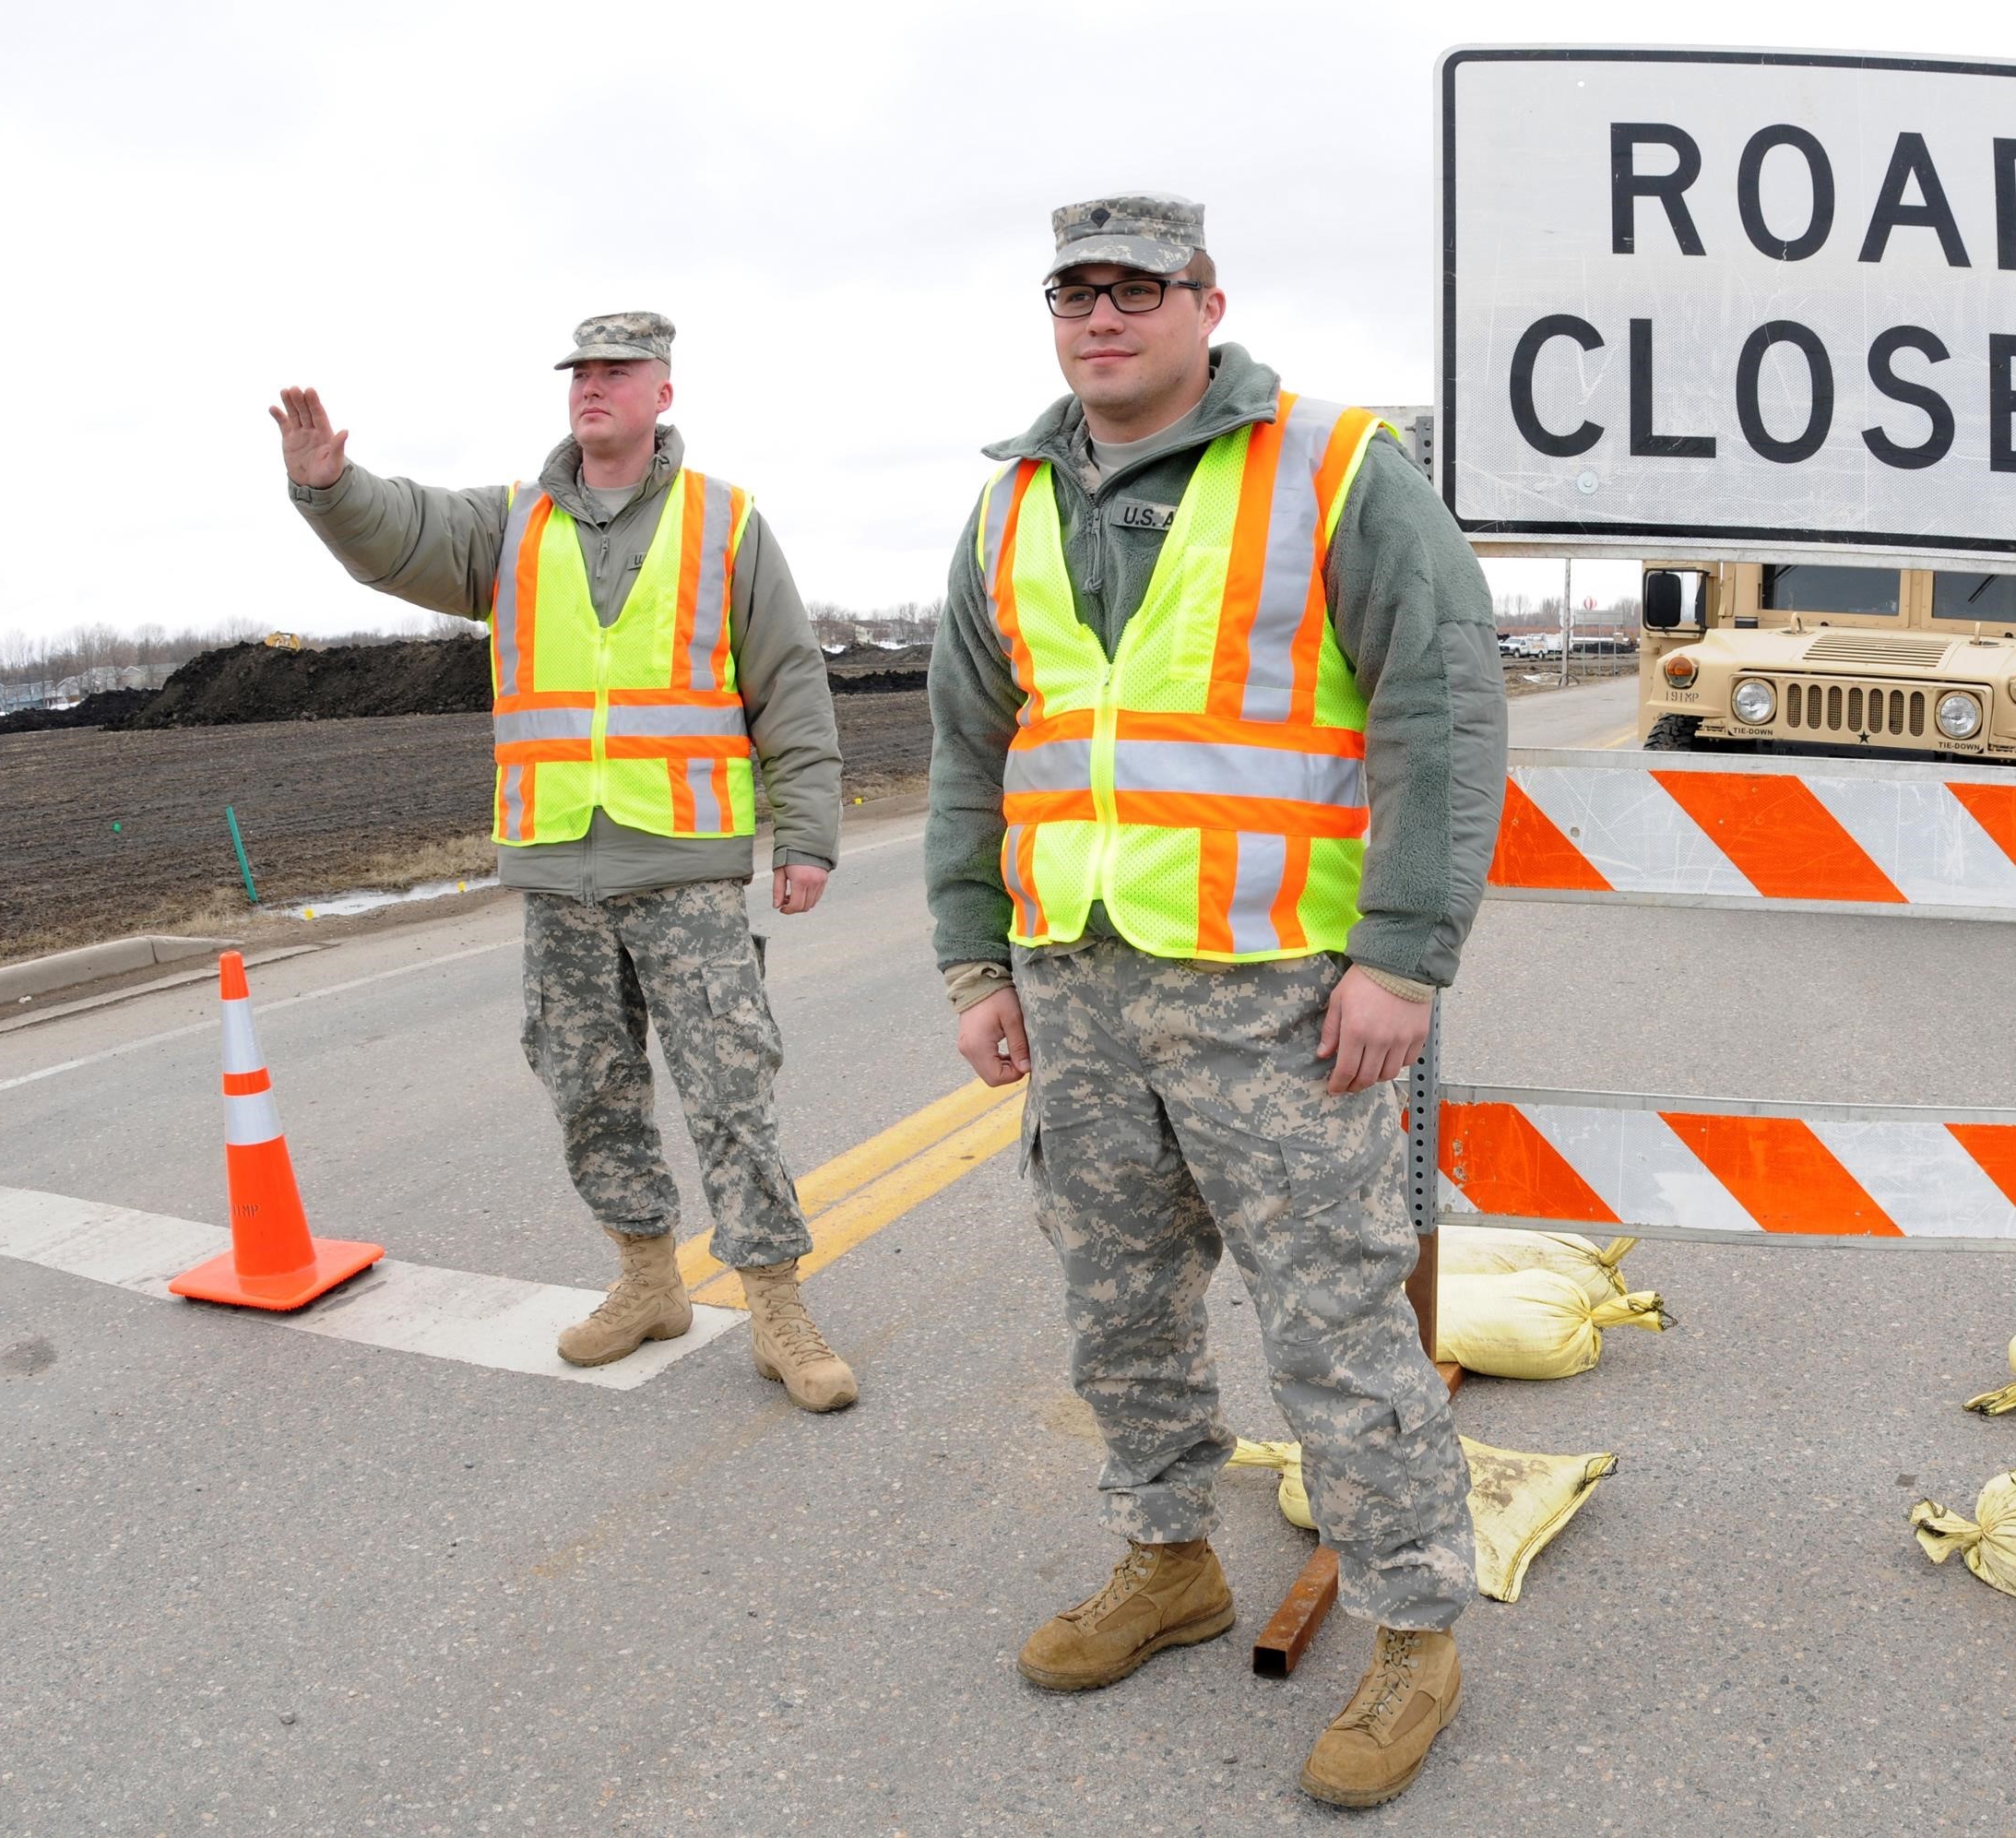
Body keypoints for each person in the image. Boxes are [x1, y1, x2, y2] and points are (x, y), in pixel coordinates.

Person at [926, 196, 1508, 1808]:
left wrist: (1403, 955)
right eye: (1074, 290)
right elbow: (973, 755)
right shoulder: (1007, 507)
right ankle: (1167, 1559)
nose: (1101, 315)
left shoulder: (1334, 467)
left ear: (1206, 303)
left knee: (1334, 1318)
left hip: (1279, 996)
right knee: (1117, 1307)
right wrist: (978, 961)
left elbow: (1442, 712)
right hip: (1082, 990)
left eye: (1136, 289)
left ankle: (1411, 1632)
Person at [268, 313, 859, 1412]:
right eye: (578, 371)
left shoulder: (726, 522)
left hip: (684, 866)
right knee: (590, 1089)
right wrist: (329, 489)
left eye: (614, 371)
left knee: (730, 1090)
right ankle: (647, 1281)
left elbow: (789, 682)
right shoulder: (511, 524)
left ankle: (775, 1306)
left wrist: (807, 836)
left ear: (661, 392)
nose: (591, 386)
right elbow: (400, 531)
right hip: (558, 871)